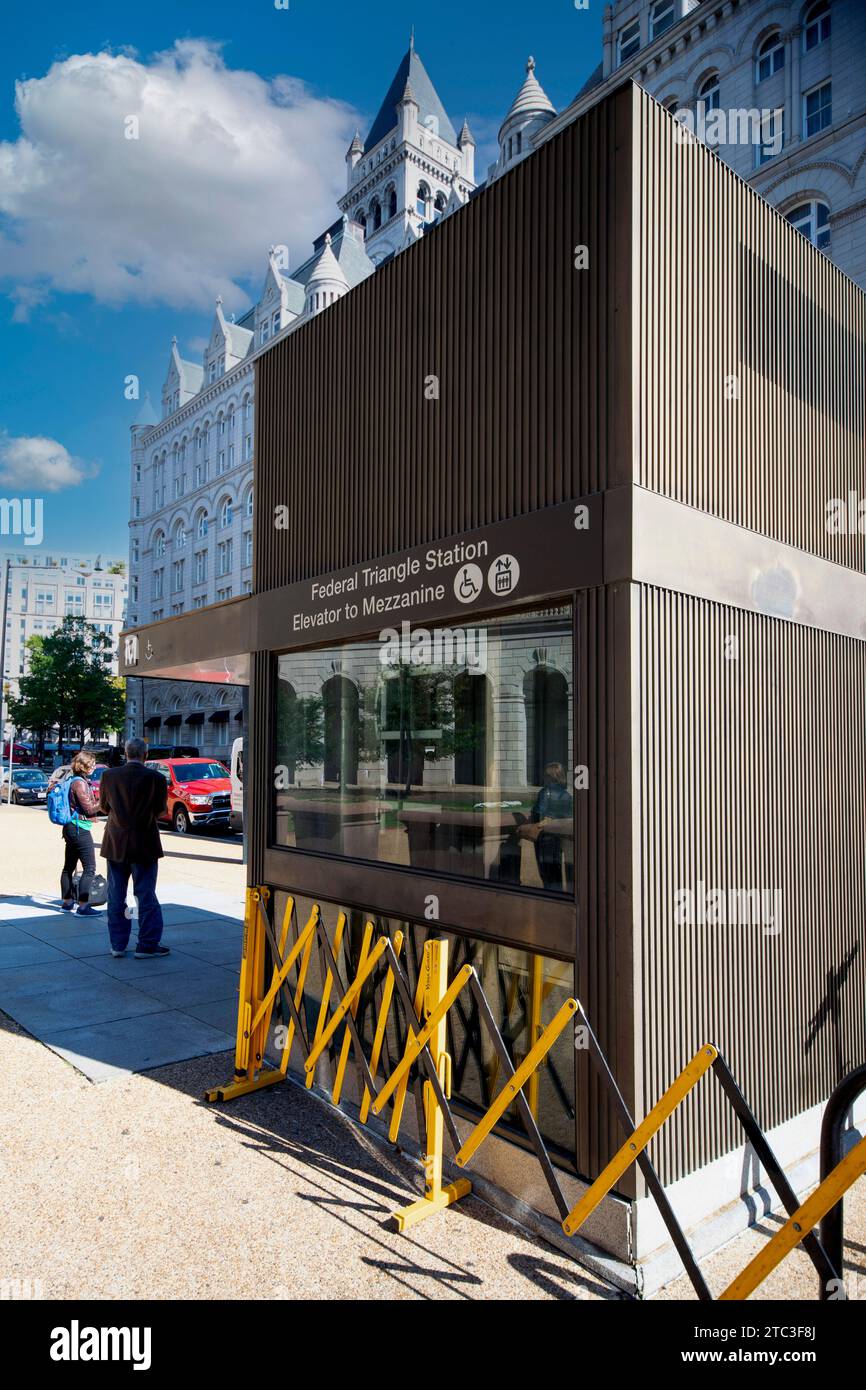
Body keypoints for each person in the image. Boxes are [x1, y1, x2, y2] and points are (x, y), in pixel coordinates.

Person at [98, 737, 170, 960]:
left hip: (115, 842)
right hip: (145, 843)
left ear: (125, 753)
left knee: (116, 896)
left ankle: (118, 945)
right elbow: (160, 812)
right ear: (145, 755)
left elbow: (103, 807)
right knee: (145, 894)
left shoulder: (109, 776)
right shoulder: (156, 778)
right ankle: (147, 945)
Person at [518, 761, 574, 892]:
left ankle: (550, 896)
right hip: (560, 836)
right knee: (557, 868)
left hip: (545, 835)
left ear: (549, 776)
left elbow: (539, 812)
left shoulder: (545, 792)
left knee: (546, 870)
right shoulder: (566, 794)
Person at [59, 751, 102, 916]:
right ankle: (83, 906)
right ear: (84, 766)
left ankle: (67, 903)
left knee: (68, 867)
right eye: (91, 764)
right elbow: (89, 809)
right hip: (79, 828)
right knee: (89, 868)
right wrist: (104, 800)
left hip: (70, 827)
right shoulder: (80, 783)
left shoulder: (71, 780)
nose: (93, 766)